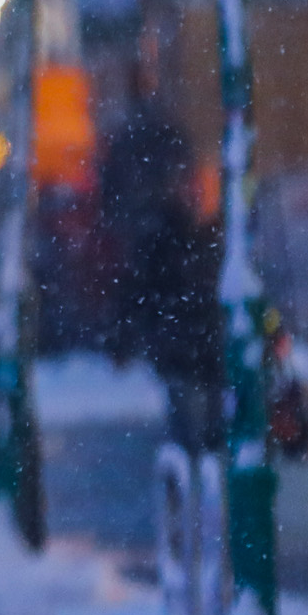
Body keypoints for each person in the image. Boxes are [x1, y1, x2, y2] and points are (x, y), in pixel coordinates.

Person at [99, 92, 224, 457]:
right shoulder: (179, 237)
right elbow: (137, 289)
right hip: (188, 351)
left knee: (199, 430)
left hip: (193, 351)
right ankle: (198, 470)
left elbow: (136, 289)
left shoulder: (186, 237)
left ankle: (197, 470)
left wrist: (123, 338)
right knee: (197, 431)